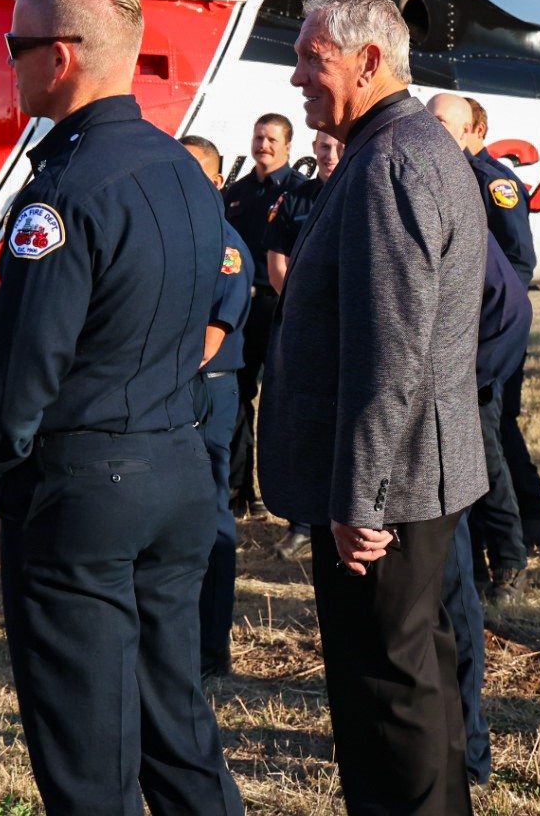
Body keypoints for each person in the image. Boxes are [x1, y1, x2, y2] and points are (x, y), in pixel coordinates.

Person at [0, 0, 243, 815]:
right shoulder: (183, 174)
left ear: (62, 55)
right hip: (178, 473)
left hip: (85, 494)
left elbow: (29, 364)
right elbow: (102, 317)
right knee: (177, 736)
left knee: (87, 762)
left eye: (15, 43)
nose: (8, 61)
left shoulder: (63, 190)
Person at [259, 0, 488, 816]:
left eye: (308, 60)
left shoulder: (390, 159)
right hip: (413, 472)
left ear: (366, 60)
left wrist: (359, 498)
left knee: (385, 692)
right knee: (414, 675)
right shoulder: (401, 145)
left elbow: (390, 351)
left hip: (387, 486)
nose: (295, 81)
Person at [429, 92, 540, 555]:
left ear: (472, 131)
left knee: (494, 431)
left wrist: (479, 320)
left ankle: (517, 535)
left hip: (491, 330)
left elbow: (518, 262)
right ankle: (526, 518)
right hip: (461, 334)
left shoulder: (492, 182)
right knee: (491, 433)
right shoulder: (445, 177)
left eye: (444, 122)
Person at [442, 234, 533, 786]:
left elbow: (510, 303)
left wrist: (463, 385)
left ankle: (467, 751)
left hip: (431, 435)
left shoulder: (436, 180)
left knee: (451, 595)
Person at [181, 134, 254, 682]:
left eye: (191, 171)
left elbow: (210, 335)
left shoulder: (225, 245)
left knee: (209, 515)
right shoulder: (174, 233)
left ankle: (211, 647)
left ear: (216, 181)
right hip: (176, 387)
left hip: (206, 387)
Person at [263, 130, 343, 562]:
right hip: (300, 325)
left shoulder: (360, 190)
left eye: (336, 146)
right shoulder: (295, 197)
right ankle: (301, 522)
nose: (329, 154)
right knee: (299, 420)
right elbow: (278, 263)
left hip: (346, 331)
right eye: (323, 147)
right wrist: (303, 310)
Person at [222, 112, 296, 517]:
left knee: (281, 404)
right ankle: (240, 490)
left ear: (287, 145)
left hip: (280, 306)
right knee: (237, 398)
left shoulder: (299, 192)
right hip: (240, 309)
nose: (263, 145)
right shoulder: (236, 193)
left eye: (271, 139)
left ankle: (277, 494)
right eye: (258, 137)